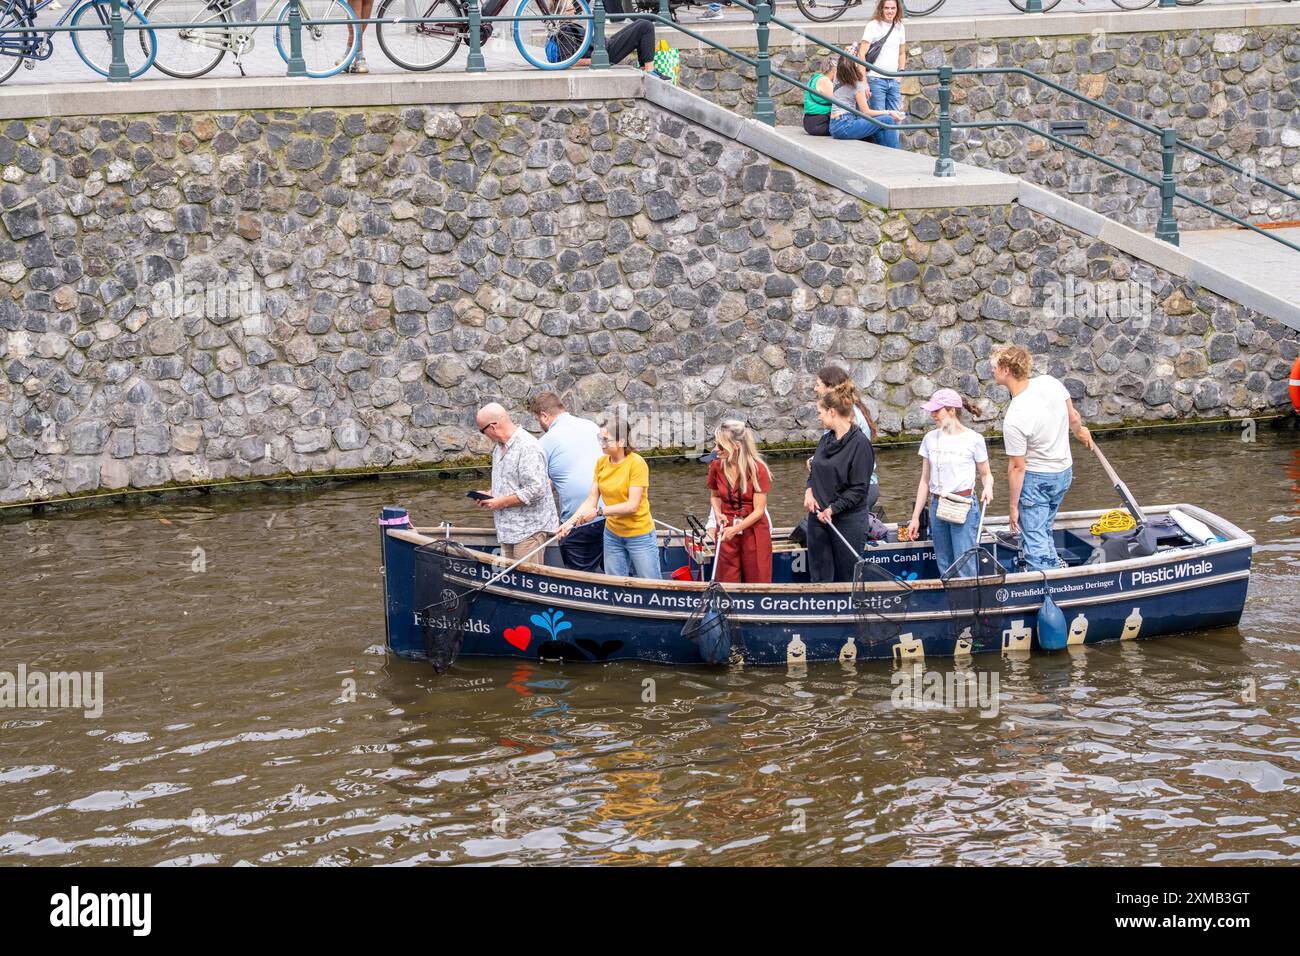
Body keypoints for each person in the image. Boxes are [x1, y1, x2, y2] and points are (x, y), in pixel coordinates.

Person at [993, 345, 1094, 571]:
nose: (992, 371)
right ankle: (1054, 566)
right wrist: (1079, 432)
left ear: (1006, 370)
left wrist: (1012, 507)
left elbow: (1017, 467)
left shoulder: (1015, 416)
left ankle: (1048, 587)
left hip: (1038, 480)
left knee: (1034, 537)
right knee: (1043, 527)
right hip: (1064, 473)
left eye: (995, 367)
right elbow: (1073, 416)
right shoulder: (1050, 382)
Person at [562, 409, 660, 580]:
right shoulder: (601, 463)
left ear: (621, 441)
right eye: (599, 438)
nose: (601, 443)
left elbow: (632, 506)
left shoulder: (637, 463)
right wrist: (568, 524)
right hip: (612, 534)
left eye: (605, 439)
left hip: (639, 534)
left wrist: (599, 513)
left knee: (651, 581)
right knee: (615, 581)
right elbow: (591, 500)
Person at [906, 389, 994, 579]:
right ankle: (952, 602)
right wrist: (915, 517)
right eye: (932, 411)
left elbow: (986, 474)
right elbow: (924, 481)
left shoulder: (974, 439)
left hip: (963, 505)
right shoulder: (930, 439)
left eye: (937, 411)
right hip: (938, 505)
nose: (932, 415)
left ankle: (969, 603)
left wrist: (988, 487)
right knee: (944, 563)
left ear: (952, 410)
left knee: (965, 563)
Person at [803, 382, 876, 583]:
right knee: (819, 577)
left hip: (847, 520)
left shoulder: (860, 444)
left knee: (847, 577)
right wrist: (809, 491)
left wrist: (833, 509)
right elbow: (815, 471)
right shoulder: (825, 440)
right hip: (818, 519)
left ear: (832, 412)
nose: (818, 416)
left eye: (820, 412)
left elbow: (859, 489)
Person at [531, 392, 605, 573]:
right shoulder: (591, 426)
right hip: (611, 514)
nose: (539, 425)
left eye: (537, 420)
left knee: (579, 577)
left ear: (544, 416)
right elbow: (571, 470)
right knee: (614, 571)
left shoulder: (545, 441)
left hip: (579, 521)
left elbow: (538, 486)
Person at [474, 402, 559, 562]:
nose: (483, 435)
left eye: (482, 430)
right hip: (507, 529)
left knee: (528, 581)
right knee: (511, 581)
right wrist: (490, 495)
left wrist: (501, 502)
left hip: (528, 529)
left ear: (493, 426)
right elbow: (509, 483)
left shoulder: (527, 447)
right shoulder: (499, 448)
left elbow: (536, 489)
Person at [707, 420, 773, 584]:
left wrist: (736, 529)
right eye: (716, 445)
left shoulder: (758, 469)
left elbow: (759, 511)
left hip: (754, 530)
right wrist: (717, 513)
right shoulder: (716, 466)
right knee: (727, 580)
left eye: (721, 446)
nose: (716, 450)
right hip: (727, 529)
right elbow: (714, 496)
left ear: (736, 446)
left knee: (758, 578)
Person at [814, 365, 881, 512]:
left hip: (857, 488)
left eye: (818, 384)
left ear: (829, 387)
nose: (815, 389)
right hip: (850, 488)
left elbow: (845, 459)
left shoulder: (848, 419)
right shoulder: (838, 422)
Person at [829, 42, 903, 148]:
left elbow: (845, 59)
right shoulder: (857, 84)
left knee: (878, 125)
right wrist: (890, 112)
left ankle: (886, 152)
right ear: (857, 64)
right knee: (887, 120)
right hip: (846, 126)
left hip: (834, 125)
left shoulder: (838, 76)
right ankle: (896, 152)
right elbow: (866, 112)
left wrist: (848, 52)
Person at [575, 0, 671, 79]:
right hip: (604, 53)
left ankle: (645, 67)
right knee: (646, 26)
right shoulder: (563, 32)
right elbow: (570, 62)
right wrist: (596, 60)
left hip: (604, 43)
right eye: (568, 7)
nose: (571, 7)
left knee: (641, 22)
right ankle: (649, 70)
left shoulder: (566, 25)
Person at [862, 0, 906, 115]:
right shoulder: (873, 25)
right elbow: (861, 54)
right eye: (887, 8)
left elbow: (902, 53)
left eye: (893, 8)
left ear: (897, 9)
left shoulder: (900, 26)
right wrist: (864, 82)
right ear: (881, 9)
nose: (890, 11)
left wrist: (901, 72)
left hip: (894, 79)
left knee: (896, 118)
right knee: (880, 120)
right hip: (876, 80)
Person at [803, 65, 834, 136]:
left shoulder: (814, 78)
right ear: (834, 70)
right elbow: (838, 102)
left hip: (809, 121)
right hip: (820, 123)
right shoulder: (825, 81)